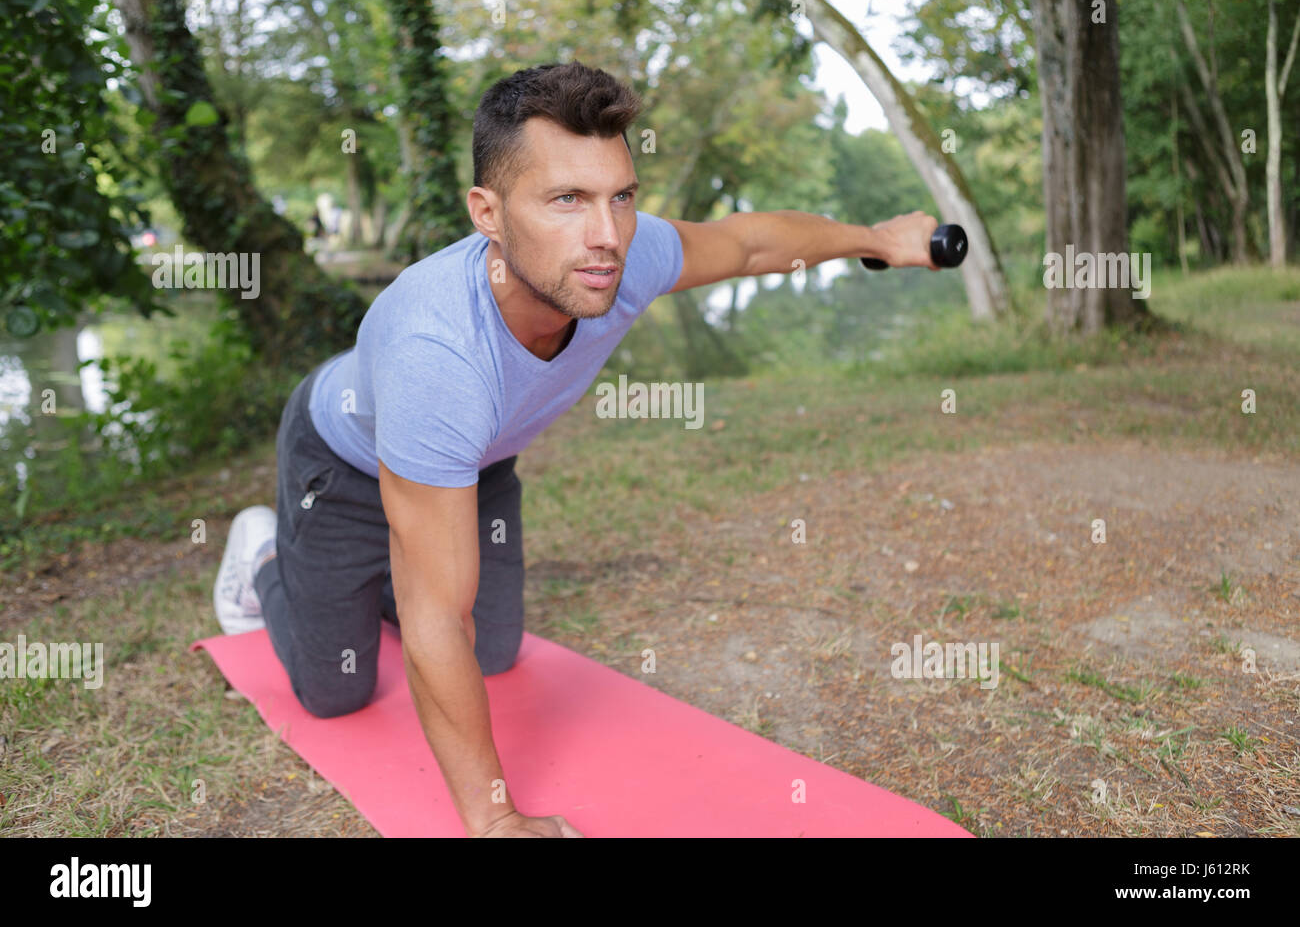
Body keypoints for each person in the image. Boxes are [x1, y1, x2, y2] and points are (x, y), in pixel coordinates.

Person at [211, 60, 939, 838]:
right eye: (566, 200)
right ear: (486, 212)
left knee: (492, 654)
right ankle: (263, 556)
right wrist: (495, 823)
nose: (605, 236)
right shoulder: (436, 350)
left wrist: (876, 239)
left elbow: (749, 245)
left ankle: (400, 558)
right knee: (336, 688)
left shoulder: (620, 256)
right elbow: (435, 619)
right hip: (344, 460)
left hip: (472, 463)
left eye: (620, 196)